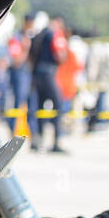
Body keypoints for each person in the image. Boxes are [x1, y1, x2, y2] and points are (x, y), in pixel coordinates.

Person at [28, 15, 68, 153]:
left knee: (40, 107)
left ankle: (38, 140)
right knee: (58, 105)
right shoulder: (55, 34)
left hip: (37, 74)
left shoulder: (39, 34)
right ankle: (56, 142)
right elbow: (60, 55)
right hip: (49, 73)